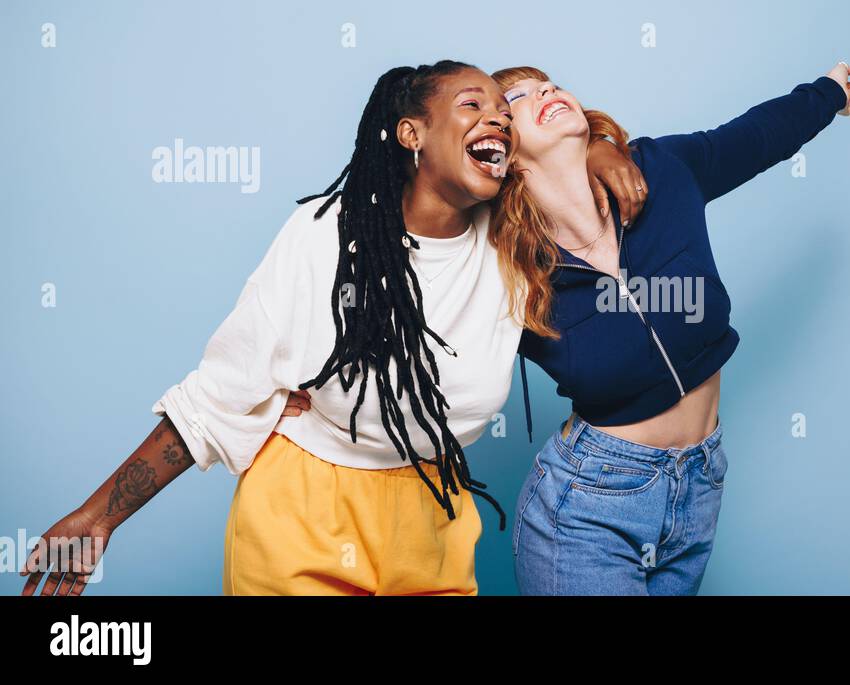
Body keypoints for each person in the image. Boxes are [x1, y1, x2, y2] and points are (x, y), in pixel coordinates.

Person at [20, 60, 646, 596]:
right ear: (412, 134)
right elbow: (221, 396)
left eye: (505, 119)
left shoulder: (512, 242)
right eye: (472, 104)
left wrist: (598, 144)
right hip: (304, 513)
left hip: (433, 518)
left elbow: (564, 158)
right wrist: (99, 515)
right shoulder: (328, 236)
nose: (498, 121)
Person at [491, 62, 850, 595]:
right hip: (586, 508)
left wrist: (826, 93)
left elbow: (755, 136)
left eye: (548, 82)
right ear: (502, 152)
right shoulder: (506, 266)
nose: (545, 89)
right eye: (520, 96)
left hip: (699, 484)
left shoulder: (662, 170)